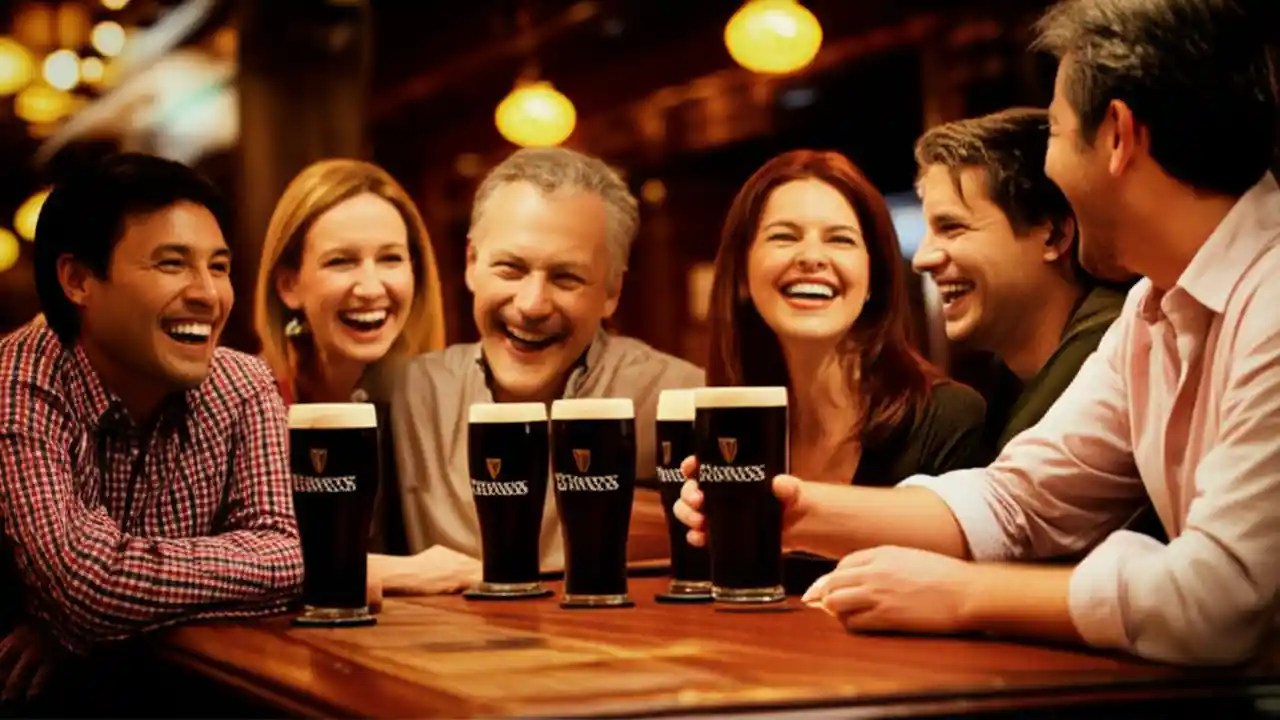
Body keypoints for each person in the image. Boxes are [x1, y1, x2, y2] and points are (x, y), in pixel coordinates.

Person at [676, 0, 1280, 666]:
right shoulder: (1150, 310)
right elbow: (1018, 500)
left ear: (1117, 136)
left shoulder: (1271, 303)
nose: (1050, 169)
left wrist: (965, 594)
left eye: (1054, 131)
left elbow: (1222, 601)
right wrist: (788, 511)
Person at [0, 154, 303, 702]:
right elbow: (86, 587)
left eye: (219, 267)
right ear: (77, 280)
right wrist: (80, 606)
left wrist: (72, 625)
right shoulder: (22, 378)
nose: (208, 294)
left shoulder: (242, 385)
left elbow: (289, 554)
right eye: (171, 264)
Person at [383, 147, 705, 593]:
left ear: (612, 291)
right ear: (472, 263)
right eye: (510, 268)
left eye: (566, 277)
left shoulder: (680, 398)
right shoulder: (405, 391)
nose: (532, 305)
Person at [707, 149, 986, 591]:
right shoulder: (727, 431)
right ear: (742, 274)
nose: (811, 257)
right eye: (784, 237)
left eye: (839, 240)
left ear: (874, 276)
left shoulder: (947, 420)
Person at [253, 159, 446, 571]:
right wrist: (409, 574)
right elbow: (237, 563)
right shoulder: (246, 407)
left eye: (391, 258)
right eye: (341, 261)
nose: (371, 287)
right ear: (289, 285)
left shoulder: (447, 399)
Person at [912, 108, 1125, 455]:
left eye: (951, 227)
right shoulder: (1007, 381)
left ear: (1053, 236)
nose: (922, 259)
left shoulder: (1116, 352)